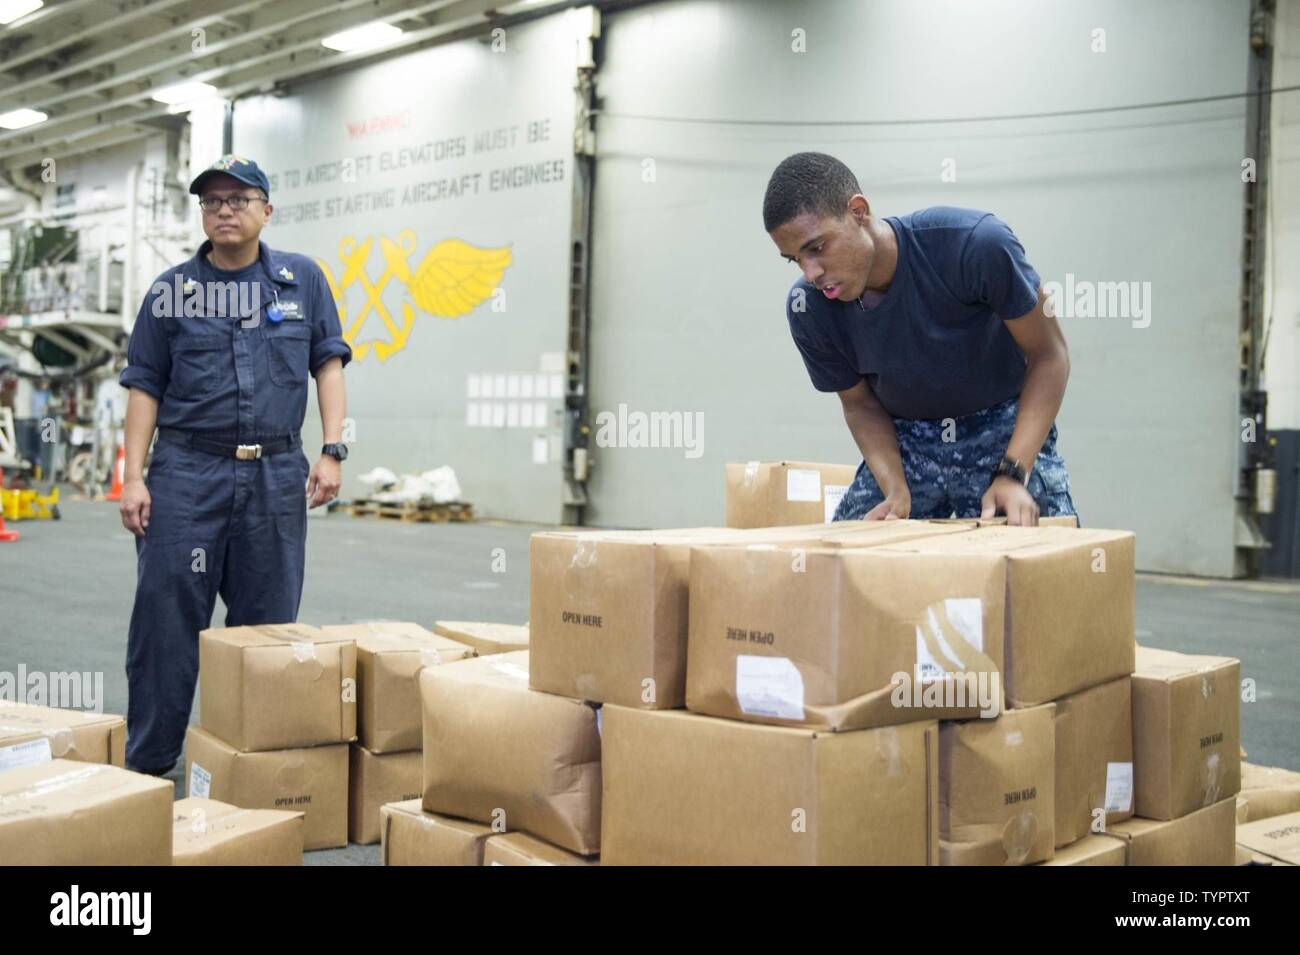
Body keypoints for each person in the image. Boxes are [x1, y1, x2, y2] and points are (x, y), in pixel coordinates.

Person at [117, 154, 352, 775]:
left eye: (239, 199)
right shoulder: (170, 291)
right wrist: (133, 476)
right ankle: (149, 765)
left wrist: (332, 449)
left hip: (275, 477)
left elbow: (328, 364)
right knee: (166, 627)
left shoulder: (302, 280)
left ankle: (254, 768)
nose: (224, 209)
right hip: (186, 475)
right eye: (212, 201)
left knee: (267, 633)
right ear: (202, 214)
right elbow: (144, 386)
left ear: (266, 211)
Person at [763, 151, 1077, 525]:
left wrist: (1013, 472)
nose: (811, 272)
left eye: (817, 248)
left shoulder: (974, 245)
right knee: (842, 562)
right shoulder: (809, 309)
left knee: (1049, 560)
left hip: (1002, 431)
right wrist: (895, 490)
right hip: (907, 442)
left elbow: (1049, 355)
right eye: (794, 259)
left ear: (859, 211)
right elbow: (860, 405)